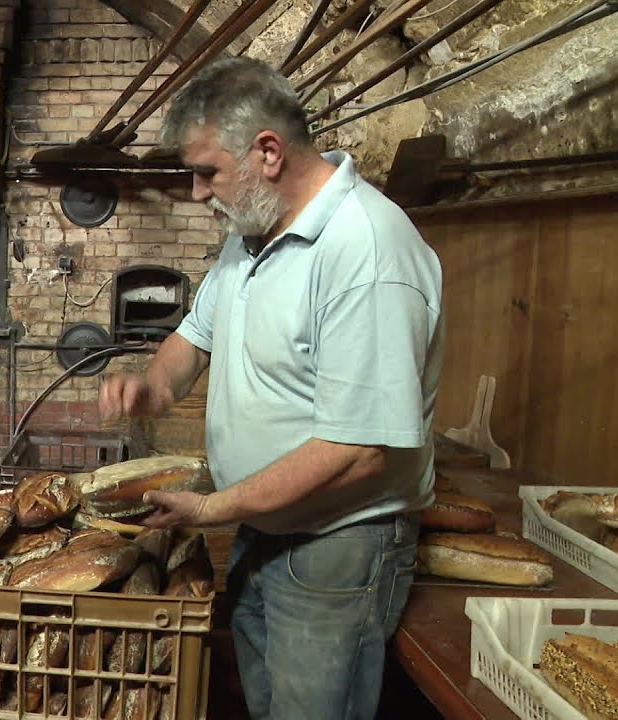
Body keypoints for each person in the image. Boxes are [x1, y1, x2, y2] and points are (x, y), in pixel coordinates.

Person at [98, 57, 444, 720]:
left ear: (267, 152)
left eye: (207, 173)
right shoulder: (252, 236)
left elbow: (360, 449)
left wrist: (212, 508)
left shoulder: (366, 252)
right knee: (269, 702)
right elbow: (193, 338)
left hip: (336, 545)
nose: (199, 193)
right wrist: (152, 388)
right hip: (265, 524)